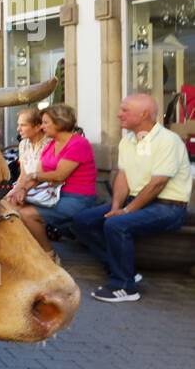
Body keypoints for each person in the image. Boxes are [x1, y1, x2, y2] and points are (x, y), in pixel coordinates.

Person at [74, 93, 192, 303]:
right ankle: (120, 267)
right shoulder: (128, 140)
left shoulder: (168, 140)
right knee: (83, 221)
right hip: (137, 202)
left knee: (116, 225)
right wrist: (117, 205)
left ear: (144, 114)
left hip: (169, 207)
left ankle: (125, 286)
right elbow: (123, 175)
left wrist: (127, 211)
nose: (119, 114)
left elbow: (158, 183)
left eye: (125, 110)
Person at [12, 103, 97, 255]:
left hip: (77, 198)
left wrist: (33, 177)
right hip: (53, 194)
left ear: (59, 123)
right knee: (13, 207)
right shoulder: (52, 143)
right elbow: (38, 174)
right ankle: (26, 253)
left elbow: (59, 175)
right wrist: (23, 190)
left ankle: (48, 254)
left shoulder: (78, 143)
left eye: (45, 123)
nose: (42, 127)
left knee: (27, 214)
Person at [7, 107, 51, 204]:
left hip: (44, 189)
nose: (18, 129)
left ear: (37, 127)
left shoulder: (49, 145)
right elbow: (23, 175)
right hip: (27, 187)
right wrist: (15, 191)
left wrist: (21, 190)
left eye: (23, 125)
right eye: (18, 125)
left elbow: (41, 177)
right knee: (6, 201)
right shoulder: (23, 144)